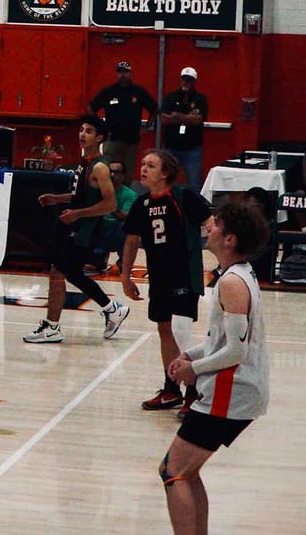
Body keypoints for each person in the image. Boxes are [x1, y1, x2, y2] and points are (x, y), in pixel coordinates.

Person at [159, 197, 271, 535]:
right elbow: (220, 341)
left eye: (217, 223)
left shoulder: (232, 283)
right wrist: (190, 355)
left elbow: (235, 351)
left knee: (172, 470)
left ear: (230, 238)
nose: (209, 226)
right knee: (185, 472)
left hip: (231, 392)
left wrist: (194, 370)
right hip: (236, 390)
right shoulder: (236, 275)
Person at [121, 150, 213, 417]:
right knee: (164, 329)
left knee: (181, 330)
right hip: (158, 276)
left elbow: (211, 224)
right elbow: (130, 240)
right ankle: (171, 389)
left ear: (165, 173)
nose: (144, 168)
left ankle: (193, 393)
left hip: (184, 274)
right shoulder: (141, 204)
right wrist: (125, 276)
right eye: (142, 164)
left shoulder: (184, 197)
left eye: (151, 165)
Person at [24, 115, 131, 344]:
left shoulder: (100, 167)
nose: (82, 134)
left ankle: (52, 327)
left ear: (99, 137)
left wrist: (77, 214)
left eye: (89, 131)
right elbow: (81, 196)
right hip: (75, 227)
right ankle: (112, 308)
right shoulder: (84, 163)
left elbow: (110, 204)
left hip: (85, 231)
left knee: (57, 272)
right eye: (81, 130)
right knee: (71, 274)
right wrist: (57, 199)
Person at [88, 61, 157, 174]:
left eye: (126, 72)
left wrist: (146, 127)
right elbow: (91, 107)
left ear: (130, 74)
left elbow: (154, 109)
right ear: (117, 74)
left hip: (132, 141)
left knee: (127, 175)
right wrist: (100, 126)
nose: (123, 75)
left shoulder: (139, 92)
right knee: (107, 172)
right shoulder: (109, 91)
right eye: (120, 72)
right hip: (112, 140)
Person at [160, 67, 209, 188]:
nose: (186, 82)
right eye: (184, 79)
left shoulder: (200, 99)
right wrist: (188, 117)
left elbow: (198, 120)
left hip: (192, 149)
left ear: (194, 82)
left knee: (194, 184)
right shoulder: (170, 97)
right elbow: (164, 119)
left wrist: (176, 115)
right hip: (170, 147)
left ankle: (194, 206)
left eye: (189, 80)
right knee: (164, 181)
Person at [95, 159, 137, 275]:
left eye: (116, 172)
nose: (112, 175)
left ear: (123, 176)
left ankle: (123, 264)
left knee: (128, 227)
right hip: (98, 230)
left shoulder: (130, 195)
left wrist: (109, 205)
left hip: (116, 231)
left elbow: (127, 216)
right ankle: (98, 257)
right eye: (110, 172)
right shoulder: (96, 190)